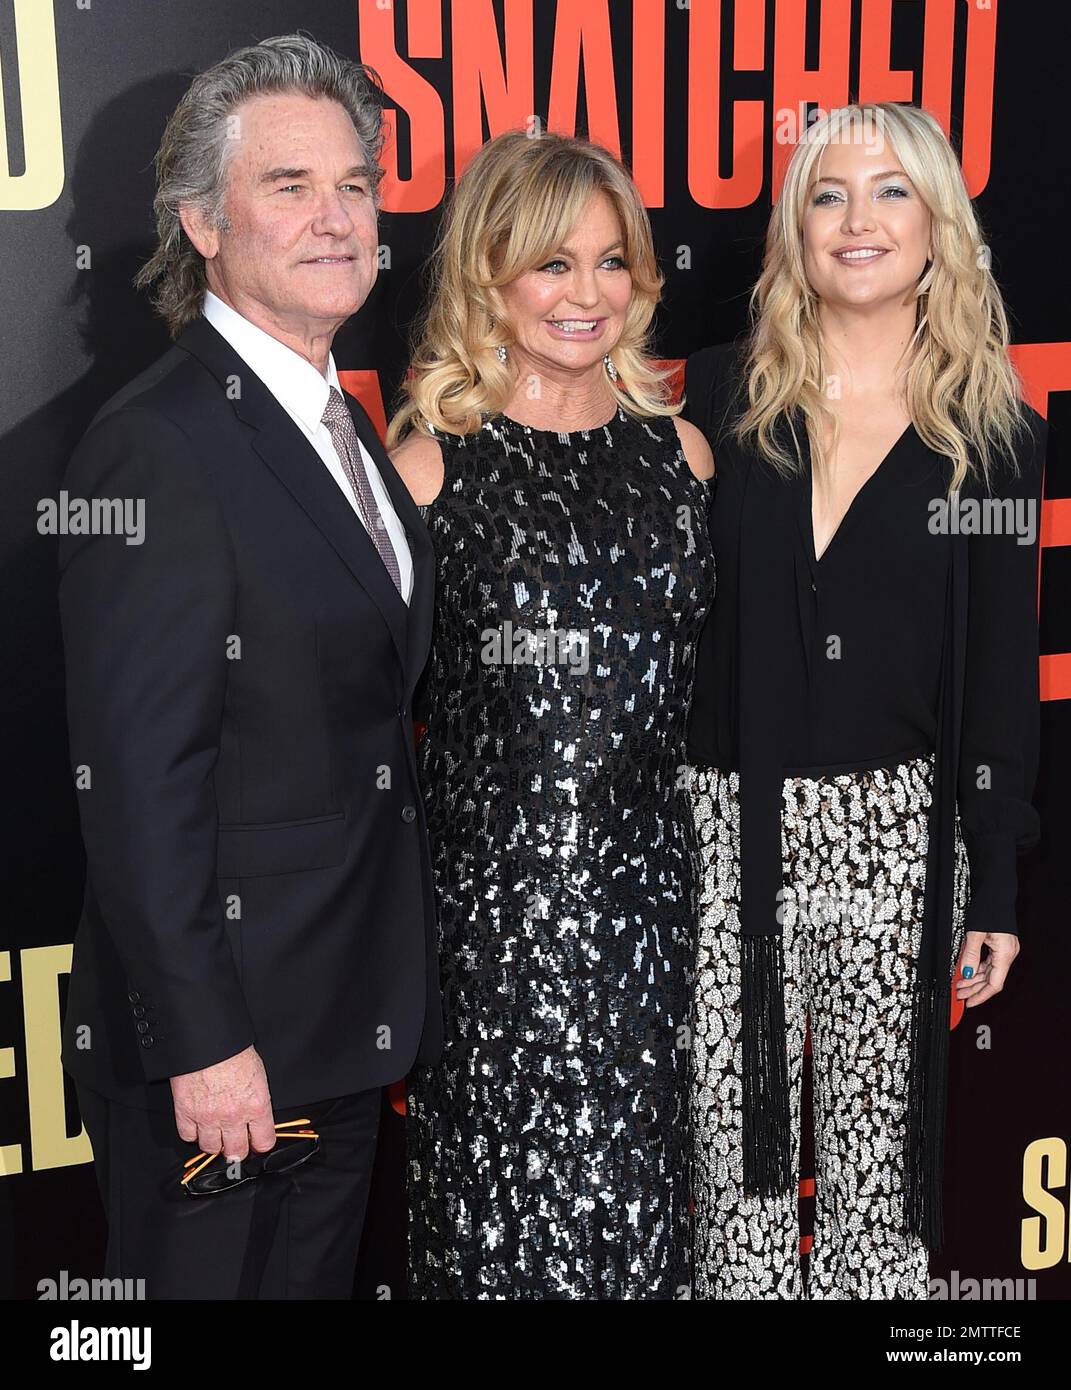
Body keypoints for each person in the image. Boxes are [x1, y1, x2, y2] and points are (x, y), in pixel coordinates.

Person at [57, 34, 441, 1299]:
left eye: (354, 185)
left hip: (331, 1027)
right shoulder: (159, 449)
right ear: (202, 224)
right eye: (289, 186)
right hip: (227, 1061)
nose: (337, 218)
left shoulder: (342, 425)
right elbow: (138, 779)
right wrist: (207, 1044)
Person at [682, 101, 1046, 1299]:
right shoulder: (720, 398)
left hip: (896, 838)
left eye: (892, 191)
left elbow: (1001, 671)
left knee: (877, 1184)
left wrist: (994, 877)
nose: (858, 219)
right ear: (796, 228)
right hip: (725, 830)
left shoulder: (995, 434)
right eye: (829, 193)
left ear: (941, 225)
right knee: (731, 1169)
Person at [388, 130, 715, 1298]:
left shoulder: (682, 458)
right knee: (498, 1248)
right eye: (550, 265)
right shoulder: (430, 472)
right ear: (489, 274)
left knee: (636, 1243)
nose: (587, 294)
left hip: (652, 935)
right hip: (490, 948)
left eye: (610, 261)